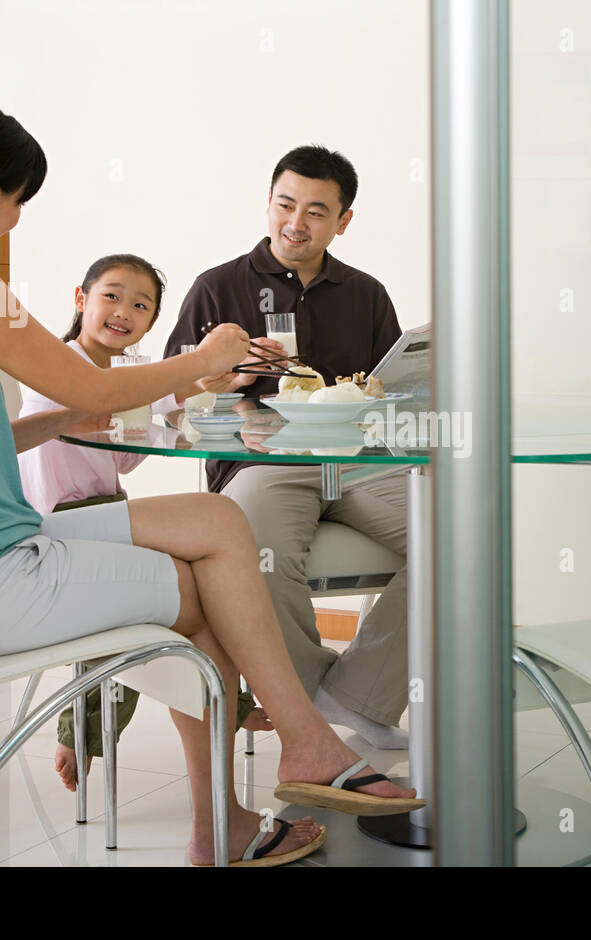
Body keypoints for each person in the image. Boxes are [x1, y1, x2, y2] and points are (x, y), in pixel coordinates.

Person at [0, 103, 421, 867]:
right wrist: (202, 358)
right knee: (210, 589)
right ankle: (263, 788)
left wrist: (50, 425)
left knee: (217, 524)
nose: (11, 223)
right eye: (18, 202)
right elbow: (92, 391)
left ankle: (294, 751)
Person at [163, 146, 410, 750]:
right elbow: (169, 396)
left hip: (357, 464)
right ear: (268, 202)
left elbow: (393, 390)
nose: (296, 223)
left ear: (342, 221)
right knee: (256, 549)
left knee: (466, 537)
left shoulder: (367, 294)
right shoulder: (218, 287)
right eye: (285, 204)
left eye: (317, 212)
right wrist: (228, 378)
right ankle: (303, 700)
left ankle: (360, 696)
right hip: (261, 463)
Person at [13, 253, 271, 791]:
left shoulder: (120, 378)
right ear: (81, 299)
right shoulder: (60, 364)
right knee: (172, 575)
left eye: (140, 305)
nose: (124, 311)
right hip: (57, 523)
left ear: (151, 322)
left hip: (103, 508)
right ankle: (86, 726)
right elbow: (84, 407)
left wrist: (202, 389)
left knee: (185, 578)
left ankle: (224, 696)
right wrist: (190, 379)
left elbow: (122, 455)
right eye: (111, 295)